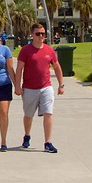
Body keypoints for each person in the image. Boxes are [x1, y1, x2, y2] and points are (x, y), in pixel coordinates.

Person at [15, 23, 64, 154]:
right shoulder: (25, 50)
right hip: (29, 89)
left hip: (46, 87)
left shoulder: (49, 50)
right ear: (32, 35)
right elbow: (19, 68)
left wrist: (61, 84)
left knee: (48, 113)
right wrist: (17, 86)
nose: (41, 36)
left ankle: (47, 142)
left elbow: (57, 67)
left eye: (43, 34)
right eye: (38, 34)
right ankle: (27, 135)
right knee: (28, 115)